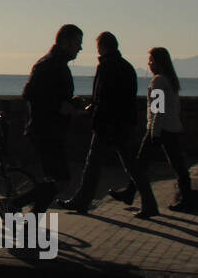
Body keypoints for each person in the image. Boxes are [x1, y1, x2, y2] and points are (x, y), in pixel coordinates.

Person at [61, 31, 145, 214]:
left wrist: (91, 111)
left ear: (102, 47)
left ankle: (82, 200)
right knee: (130, 164)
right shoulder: (127, 67)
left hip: (107, 124)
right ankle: (150, 202)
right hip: (123, 123)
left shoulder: (106, 66)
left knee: (94, 164)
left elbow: (103, 97)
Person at [108, 46, 195, 212]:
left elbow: (157, 109)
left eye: (151, 60)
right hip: (171, 128)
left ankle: (132, 193)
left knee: (142, 163)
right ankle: (131, 192)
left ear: (158, 62)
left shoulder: (159, 81)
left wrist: (154, 132)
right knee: (175, 164)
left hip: (160, 130)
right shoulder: (170, 80)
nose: (149, 64)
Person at [9, 24, 84, 213]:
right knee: (61, 181)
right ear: (64, 42)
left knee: (54, 181)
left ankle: (25, 218)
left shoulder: (57, 64)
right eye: (77, 43)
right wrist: (60, 106)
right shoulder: (48, 64)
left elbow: (52, 94)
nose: (79, 48)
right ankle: (16, 204)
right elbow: (30, 93)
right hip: (45, 131)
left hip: (52, 130)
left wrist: (71, 102)